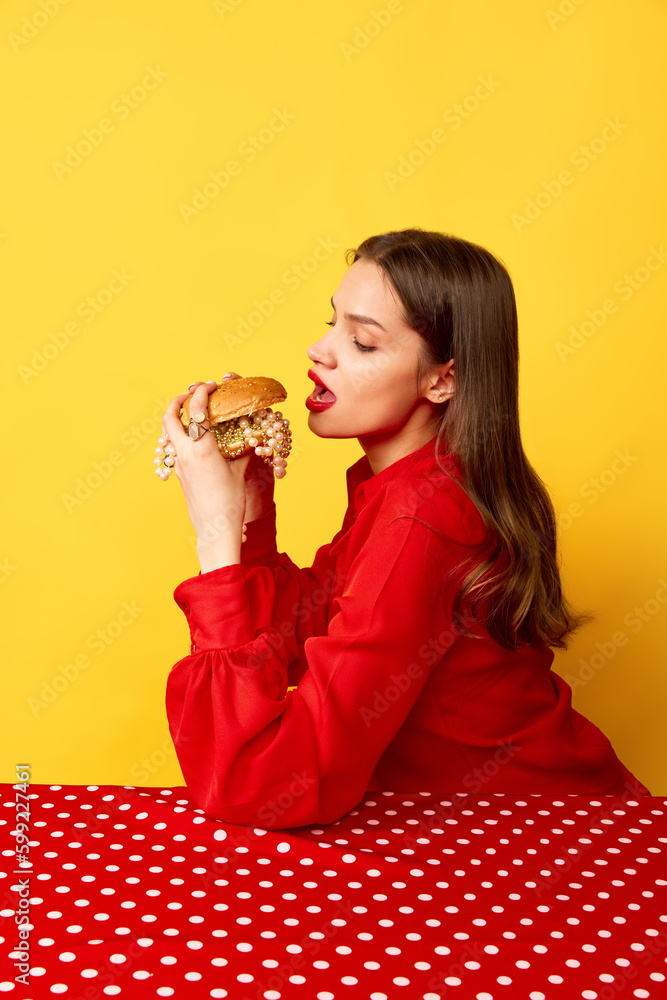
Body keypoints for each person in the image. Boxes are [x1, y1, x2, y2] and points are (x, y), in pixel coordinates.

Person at [160, 227, 649, 829]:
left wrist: (214, 533)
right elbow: (306, 634)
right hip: (480, 822)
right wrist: (249, 512)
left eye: (362, 342)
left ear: (442, 379)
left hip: (543, 833)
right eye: (331, 322)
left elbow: (264, 785)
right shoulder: (411, 485)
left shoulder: (420, 518)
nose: (319, 350)